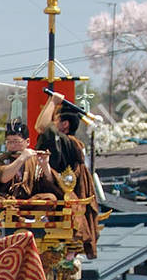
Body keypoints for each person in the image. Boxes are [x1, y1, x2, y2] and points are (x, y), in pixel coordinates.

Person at [0, 118, 65, 226]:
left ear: (27, 142)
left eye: (16, 141)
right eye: (9, 142)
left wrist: (45, 165)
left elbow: (48, 184)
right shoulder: (0, 160)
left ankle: (28, 219)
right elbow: (3, 178)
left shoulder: (34, 160)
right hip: (5, 202)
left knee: (50, 198)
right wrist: (21, 158)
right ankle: (20, 220)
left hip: (26, 202)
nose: (12, 146)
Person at [33, 93, 99, 258]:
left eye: (56, 120)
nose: (53, 124)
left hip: (61, 200)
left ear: (65, 124)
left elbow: (42, 127)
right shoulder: (71, 143)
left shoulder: (64, 141)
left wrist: (53, 101)